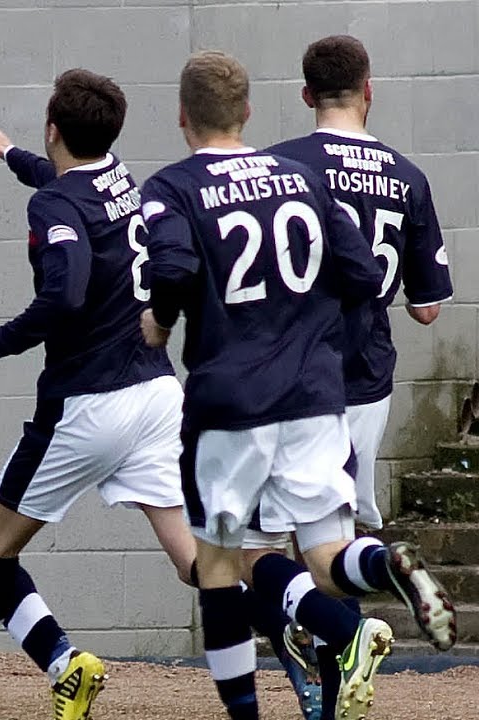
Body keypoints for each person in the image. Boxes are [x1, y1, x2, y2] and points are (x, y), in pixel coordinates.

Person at [0, 69, 197, 720]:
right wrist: (7, 153)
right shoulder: (118, 177)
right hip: (157, 391)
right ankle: (313, 618)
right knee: (194, 563)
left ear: (54, 128)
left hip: (88, 403)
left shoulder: (55, 205)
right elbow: (62, 182)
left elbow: (64, 293)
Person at [139, 50, 396, 720]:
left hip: (233, 405)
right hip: (314, 398)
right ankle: (382, 568)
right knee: (327, 552)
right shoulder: (301, 176)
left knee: (222, 565)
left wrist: (160, 323)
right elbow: (365, 278)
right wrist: (312, 329)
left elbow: (168, 270)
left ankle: (250, 711)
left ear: (182, 116)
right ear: (248, 112)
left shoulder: (171, 188)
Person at [263, 34, 458, 720]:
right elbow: (429, 309)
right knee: (331, 532)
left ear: (307, 94)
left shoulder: (278, 166)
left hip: (290, 369)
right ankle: (334, 663)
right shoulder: (407, 175)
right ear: (369, 91)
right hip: (367, 372)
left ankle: (326, 664)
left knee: (269, 544)